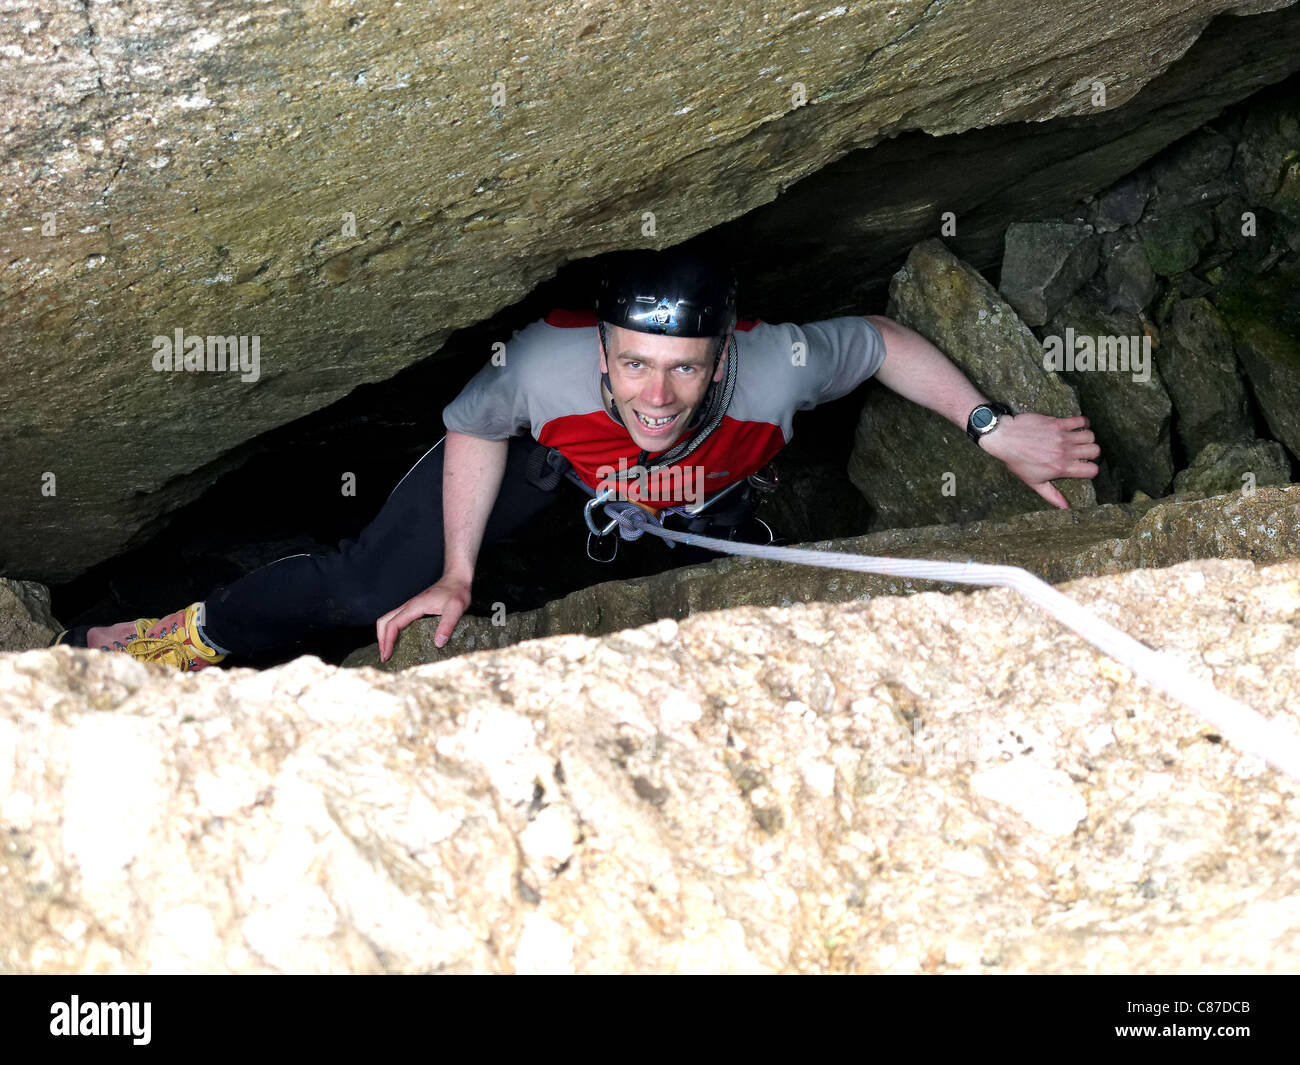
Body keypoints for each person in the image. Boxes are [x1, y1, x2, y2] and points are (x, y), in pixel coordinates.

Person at [54, 245, 1100, 671]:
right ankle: (179, 636)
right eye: (636, 365)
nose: (656, 395)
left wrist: (990, 427)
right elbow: (473, 428)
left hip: (701, 493)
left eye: (683, 371)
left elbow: (878, 340)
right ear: (601, 347)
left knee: (716, 580)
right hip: (542, 468)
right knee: (367, 583)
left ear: (720, 353)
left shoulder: (773, 367)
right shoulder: (546, 368)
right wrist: (455, 574)